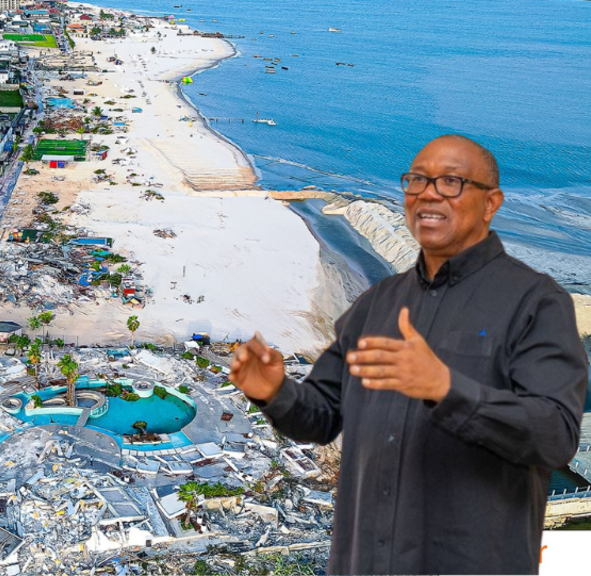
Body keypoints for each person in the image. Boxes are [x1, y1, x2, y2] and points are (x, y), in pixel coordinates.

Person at [230, 135, 588, 575]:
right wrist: (275, 392)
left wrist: (445, 389)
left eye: (451, 182)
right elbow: (321, 419)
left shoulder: (535, 303)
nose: (428, 192)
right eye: (416, 180)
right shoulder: (376, 304)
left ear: (491, 203)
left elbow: (554, 438)